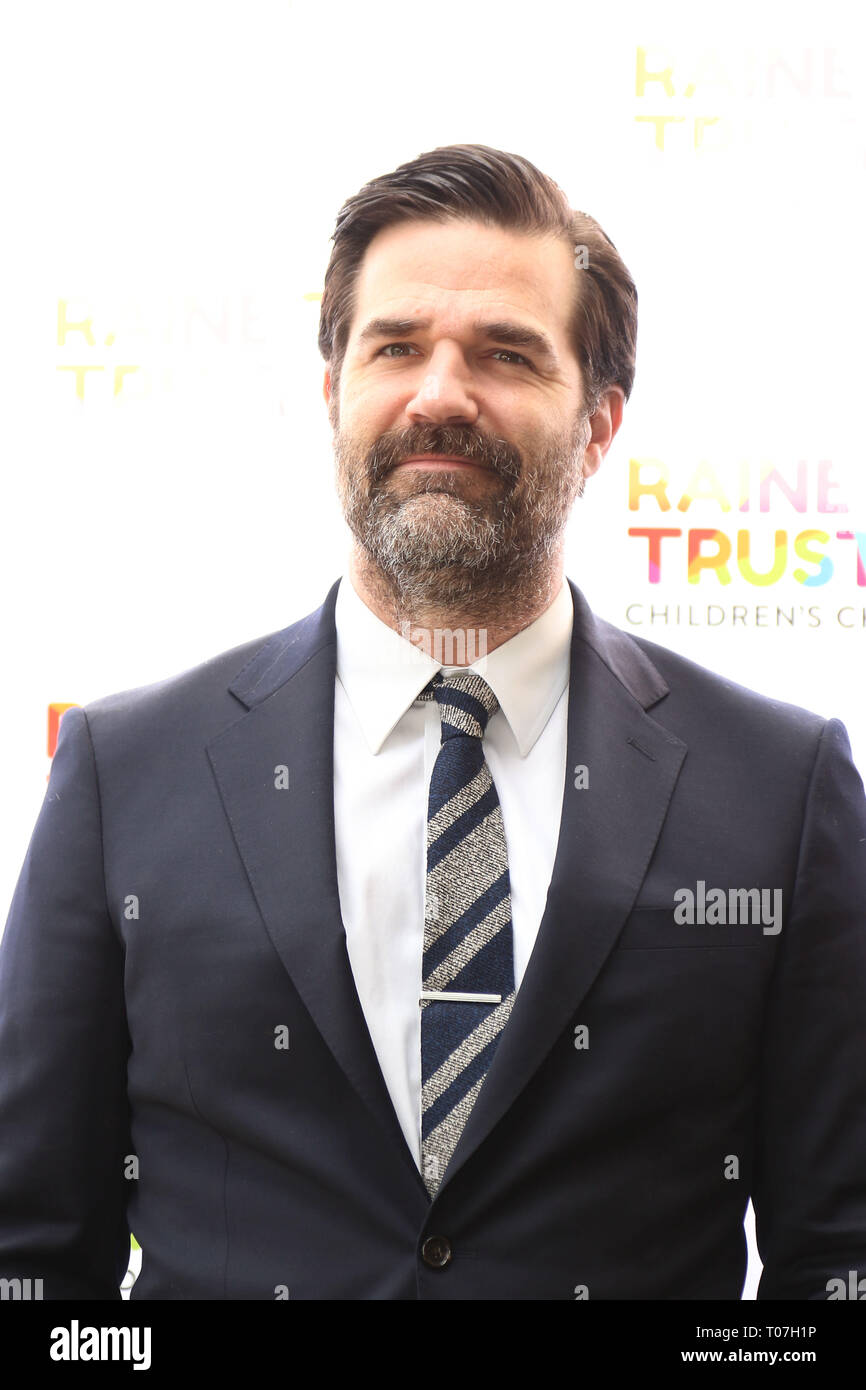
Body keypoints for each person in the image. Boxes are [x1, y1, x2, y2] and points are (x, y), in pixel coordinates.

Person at [1, 143, 865, 1301]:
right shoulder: (124, 772)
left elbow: (838, 1255)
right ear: (330, 392)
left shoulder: (779, 784)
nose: (440, 394)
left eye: (504, 354)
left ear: (600, 424)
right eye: (395, 346)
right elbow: (31, 1252)